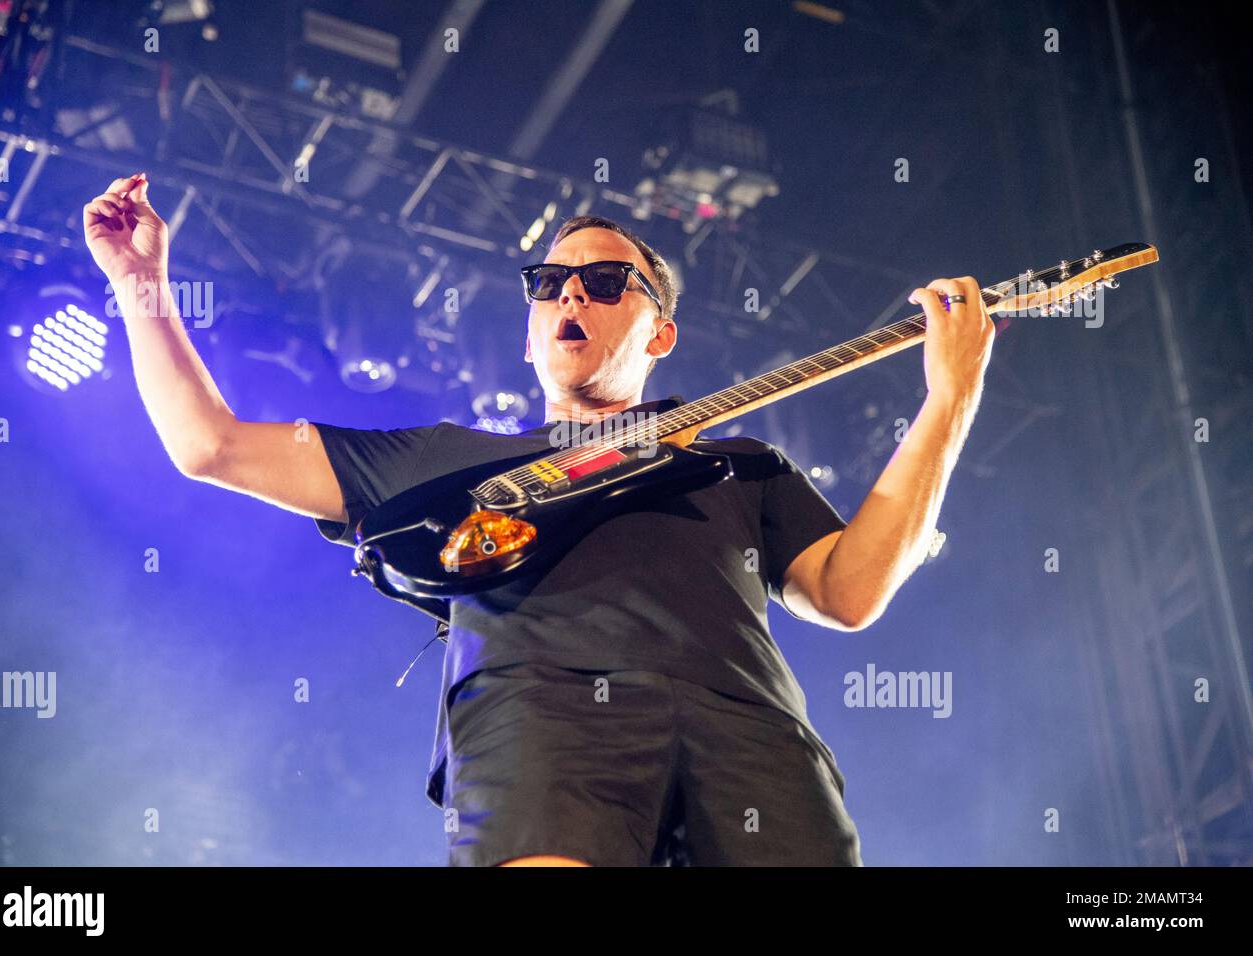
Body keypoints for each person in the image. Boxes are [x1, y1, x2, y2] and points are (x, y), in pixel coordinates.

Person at [84, 173, 994, 867]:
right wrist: (141, 283)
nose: (572, 295)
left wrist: (950, 397)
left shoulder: (740, 462)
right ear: (528, 329)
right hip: (543, 716)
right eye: (551, 280)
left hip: (749, 729)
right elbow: (212, 447)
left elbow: (852, 590)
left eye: (605, 282)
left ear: (659, 331)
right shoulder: (453, 461)